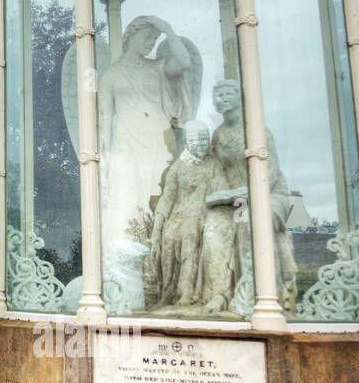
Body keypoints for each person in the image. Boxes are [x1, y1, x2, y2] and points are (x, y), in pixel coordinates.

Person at [196, 80, 297, 312]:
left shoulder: (258, 130)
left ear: (240, 98)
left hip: (267, 195)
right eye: (218, 95)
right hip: (235, 200)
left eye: (228, 93)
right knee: (212, 227)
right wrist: (221, 195)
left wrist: (243, 193)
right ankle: (219, 293)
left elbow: (269, 174)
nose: (222, 98)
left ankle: (260, 294)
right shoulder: (218, 135)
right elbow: (217, 171)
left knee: (249, 221)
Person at [98, 15, 195, 244]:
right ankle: (131, 250)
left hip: (159, 141)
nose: (151, 41)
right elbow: (104, 119)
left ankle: (159, 253)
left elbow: (184, 62)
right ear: (131, 35)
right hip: (127, 141)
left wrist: (167, 29)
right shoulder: (110, 75)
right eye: (147, 36)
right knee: (128, 196)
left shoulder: (158, 67)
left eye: (155, 37)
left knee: (160, 196)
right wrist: (104, 161)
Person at [145, 120, 214, 306]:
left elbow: (221, 191)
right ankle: (168, 292)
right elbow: (167, 197)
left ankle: (187, 292)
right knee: (167, 239)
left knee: (189, 237)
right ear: (188, 143)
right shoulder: (177, 167)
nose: (201, 145)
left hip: (200, 215)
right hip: (178, 216)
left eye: (204, 140)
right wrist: (158, 222)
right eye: (197, 141)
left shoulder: (212, 165)